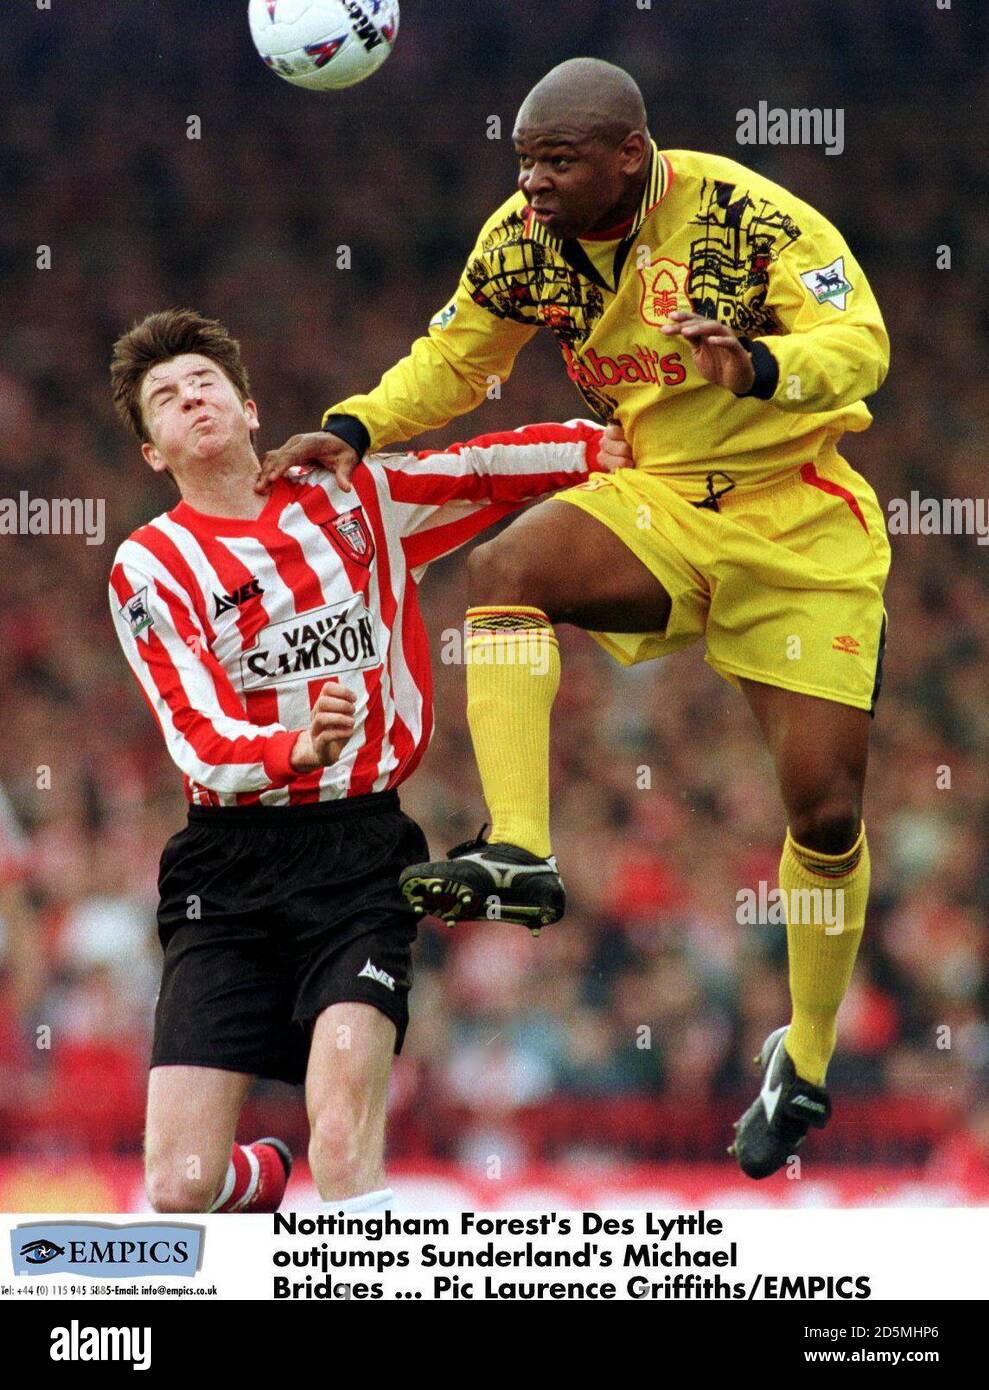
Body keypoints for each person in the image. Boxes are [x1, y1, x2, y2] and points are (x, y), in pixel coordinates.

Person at [256, 58, 891, 1180]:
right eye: (522, 160)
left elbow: (860, 344)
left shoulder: (743, 219)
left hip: (797, 519)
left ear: (628, 157)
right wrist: (355, 426)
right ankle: (520, 849)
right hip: (657, 498)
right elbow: (456, 359)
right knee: (508, 568)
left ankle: (804, 1053)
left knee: (825, 810)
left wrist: (757, 363)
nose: (532, 182)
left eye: (555, 161)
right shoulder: (519, 239)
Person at [107, 307, 619, 1214]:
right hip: (225, 868)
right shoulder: (151, 566)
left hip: (358, 854)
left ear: (251, 408)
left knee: (343, 1141)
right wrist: (292, 748)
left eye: (205, 383)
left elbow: (483, 470)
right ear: (153, 451)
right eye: (165, 398)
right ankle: (259, 1178)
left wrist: (602, 449)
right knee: (179, 1184)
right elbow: (191, 731)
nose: (191, 400)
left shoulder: (353, 499)